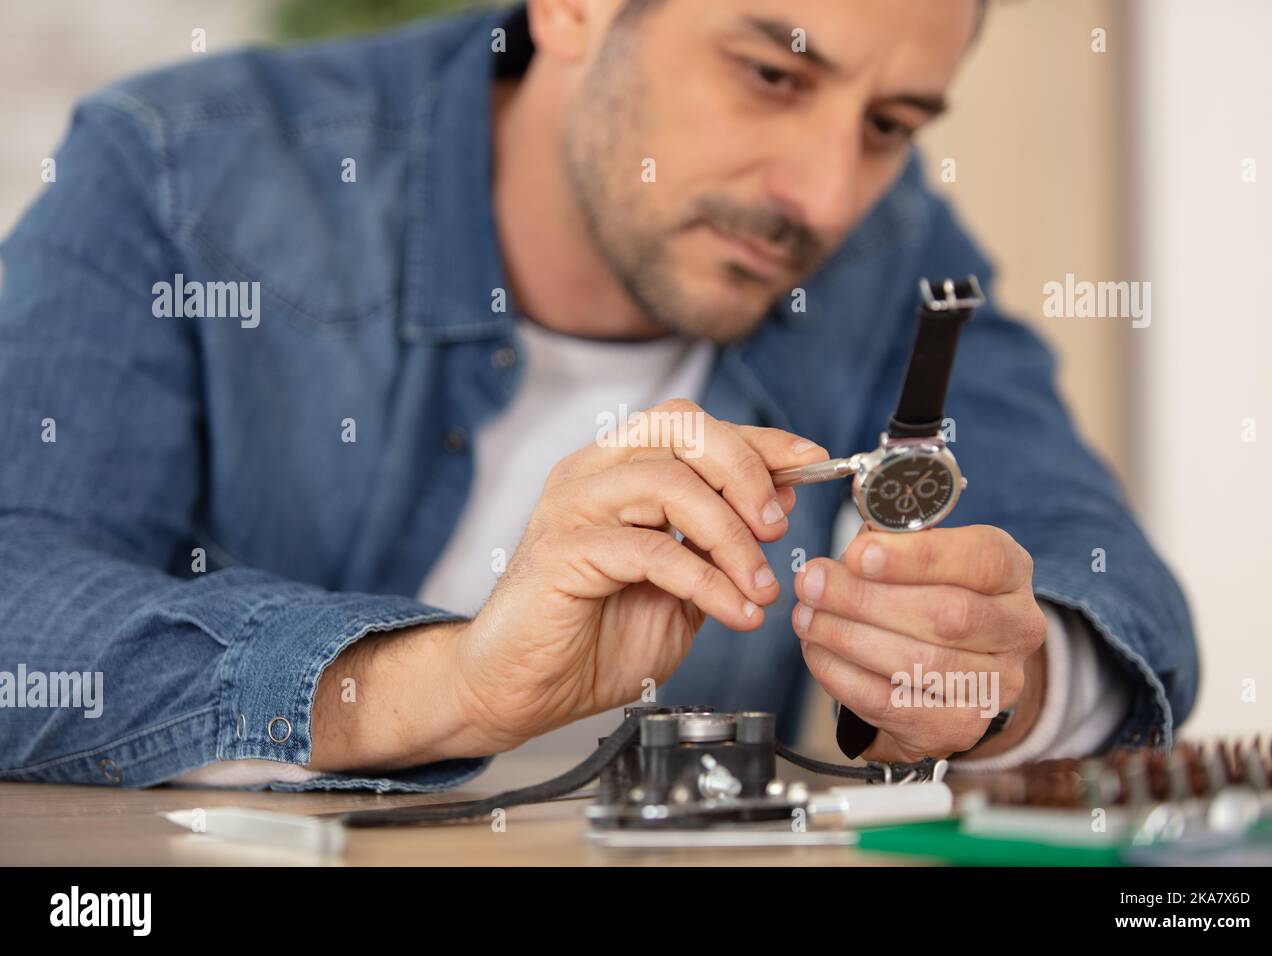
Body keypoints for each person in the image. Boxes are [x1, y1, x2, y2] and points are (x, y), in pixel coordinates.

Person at [0, 0, 1196, 792]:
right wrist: (444, 684)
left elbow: (1106, 580)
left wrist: (996, 678)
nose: (826, 196)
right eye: (772, 74)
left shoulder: (896, 248)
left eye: (889, 124)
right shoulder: (181, 169)